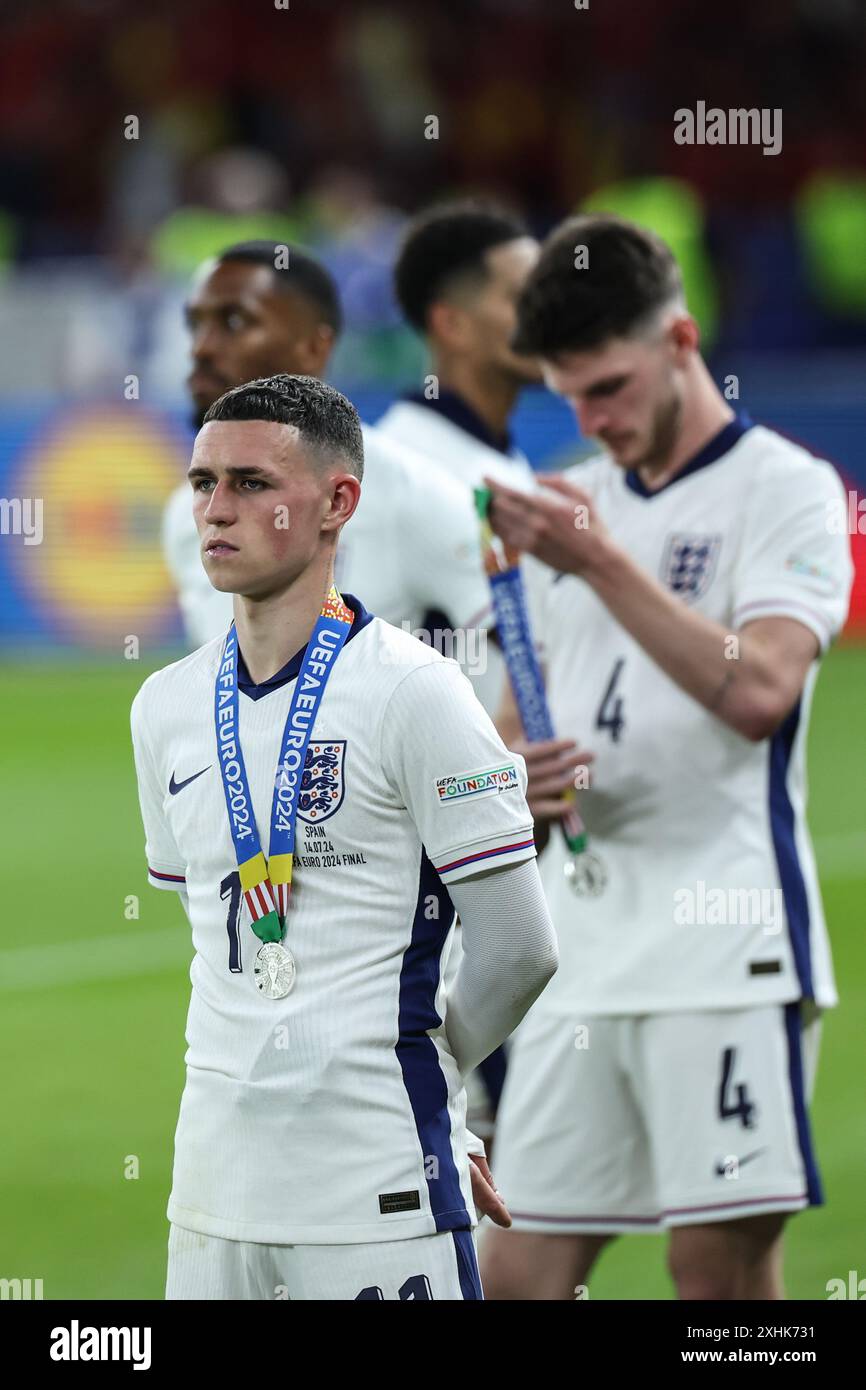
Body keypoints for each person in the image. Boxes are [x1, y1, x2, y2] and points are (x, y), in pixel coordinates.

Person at [479, 214, 853, 1301]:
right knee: (517, 1277)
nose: (591, 420)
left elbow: (758, 689)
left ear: (681, 341)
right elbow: (509, 726)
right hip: (577, 948)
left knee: (714, 1276)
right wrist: (519, 777)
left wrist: (600, 563)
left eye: (608, 388)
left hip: (722, 943)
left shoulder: (783, 489)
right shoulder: (563, 502)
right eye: (568, 397)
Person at [131, 373, 558, 1301]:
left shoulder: (417, 691)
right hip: (210, 1196)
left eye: (251, 484)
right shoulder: (162, 707)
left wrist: (429, 1088)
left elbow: (522, 947)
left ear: (338, 504)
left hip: (375, 1187)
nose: (215, 509)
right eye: (203, 483)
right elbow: (221, 944)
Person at [162, 241, 492, 679]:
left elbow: (517, 657)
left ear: (314, 347)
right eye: (195, 325)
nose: (200, 349)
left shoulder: (410, 494)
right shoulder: (186, 515)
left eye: (234, 322)